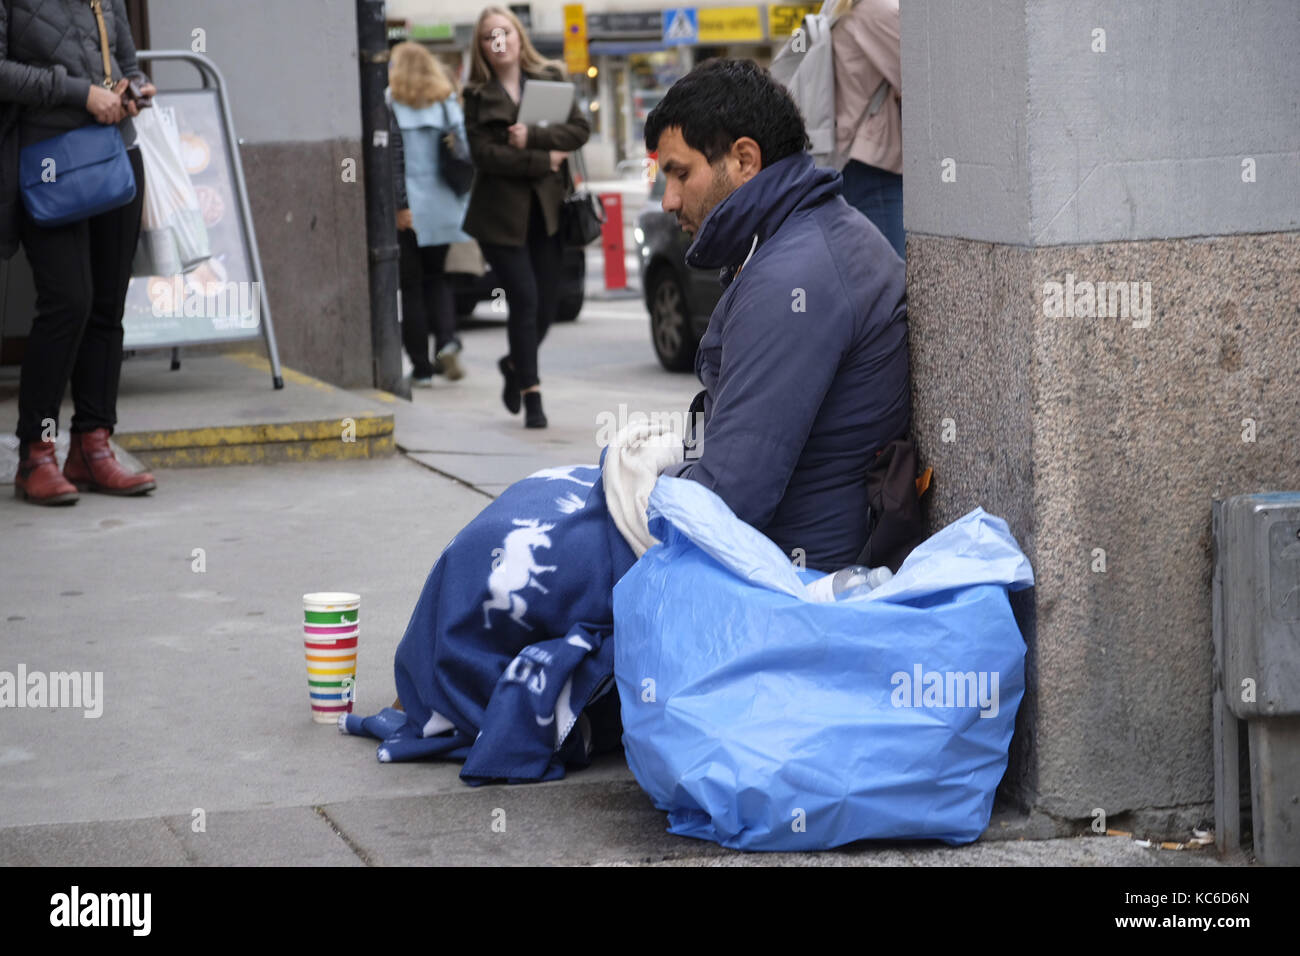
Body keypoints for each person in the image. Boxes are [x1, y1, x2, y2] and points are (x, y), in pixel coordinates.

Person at [646, 57, 911, 572]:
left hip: (796, 587)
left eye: (680, 173)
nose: (669, 199)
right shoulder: (811, 235)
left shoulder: (794, 275)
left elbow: (728, 498)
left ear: (744, 159)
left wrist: (638, 499)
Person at [1, 0, 157, 505]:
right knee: (69, 302)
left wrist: (132, 88)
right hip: (49, 158)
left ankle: (92, 446)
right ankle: (36, 453)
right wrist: (80, 93)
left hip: (115, 152)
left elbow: (126, 58)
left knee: (108, 307)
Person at [461, 5, 590, 429]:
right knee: (524, 299)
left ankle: (514, 363)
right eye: (488, 36)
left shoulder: (550, 78)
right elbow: (485, 156)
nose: (498, 41)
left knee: (547, 306)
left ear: (519, 36)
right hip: (499, 218)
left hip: (547, 214)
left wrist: (531, 136)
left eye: (505, 32)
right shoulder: (476, 95)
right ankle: (532, 397)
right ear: (481, 47)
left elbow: (578, 130)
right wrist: (543, 159)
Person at [387, 41, 469, 387]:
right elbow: (464, 149)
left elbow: (388, 157)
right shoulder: (446, 100)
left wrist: (398, 205)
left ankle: (421, 368)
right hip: (444, 204)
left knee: (412, 287)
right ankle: (447, 341)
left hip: (408, 208)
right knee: (440, 278)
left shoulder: (390, 101)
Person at [828, 0, 904, 258]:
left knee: (872, 271)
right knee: (893, 275)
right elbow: (925, 77)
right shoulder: (877, 11)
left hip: (857, 163)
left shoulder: (848, 10)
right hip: (877, 167)